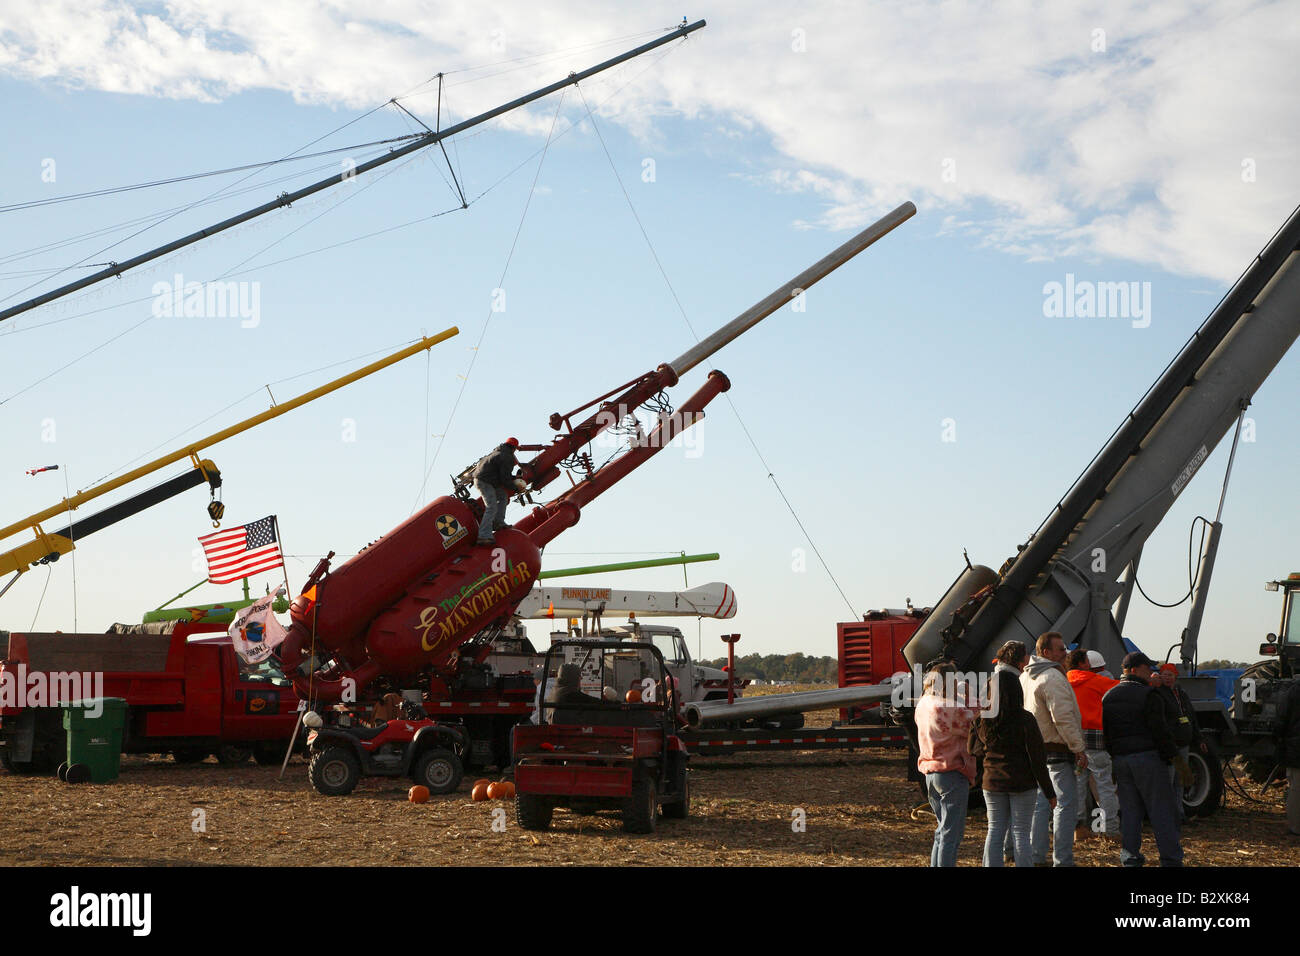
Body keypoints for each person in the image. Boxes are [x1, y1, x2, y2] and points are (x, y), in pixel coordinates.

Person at [970, 641, 1055, 867]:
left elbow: (973, 749)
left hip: (992, 780)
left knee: (994, 830)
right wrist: (1050, 792)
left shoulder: (983, 719)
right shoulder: (1026, 719)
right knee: (1020, 833)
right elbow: (1038, 758)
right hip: (1022, 782)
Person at [1102, 652, 1183, 866]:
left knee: (1130, 813)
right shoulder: (1149, 695)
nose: (1152, 672)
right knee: (1161, 812)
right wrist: (1171, 758)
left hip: (1121, 760)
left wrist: (1115, 758)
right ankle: (1171, 860)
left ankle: (1130, 858)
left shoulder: (1108, 696)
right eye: (1148, 668)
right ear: (1134, 670)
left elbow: (1107, 735)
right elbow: (1161, 732)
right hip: (1148, 759)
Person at [1021, 631, 1087, 866]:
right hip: (1057, 749)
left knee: (1040, 805)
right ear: (1046, 653)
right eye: (1060, 649)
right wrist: (1078, 747)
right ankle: (1063, 860)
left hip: (1036, 750)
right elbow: (1063, 717)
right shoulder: (1053, 678)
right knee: (1064, 805)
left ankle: (1036, 856)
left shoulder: (1026, 677)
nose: (1065, 653)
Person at [915, 660, 978, 866]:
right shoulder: (950, 707)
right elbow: (977, 720)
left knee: (941, 831)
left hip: (929, 772)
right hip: (951, 770)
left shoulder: (923, 702)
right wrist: (968, 693)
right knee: (952, 834)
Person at [1067, 649, 1120, 840]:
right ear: (1083, 663)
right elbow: (1122, 689)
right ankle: (1111, 831)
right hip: (1097, 739)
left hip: (1073, 741)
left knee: (1078, 787)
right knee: (1105, 785)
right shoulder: (1095, 680)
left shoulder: (1063, 681)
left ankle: (1079, 829)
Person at [1154, 663, 1205, 825]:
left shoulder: (1181, 694)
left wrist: (1199, 739)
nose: (1167, 678)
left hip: (1183, 746)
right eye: (1164, 675)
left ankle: (1179, 814)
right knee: (1168, 782)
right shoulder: (1159, 694)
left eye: (1170, 675)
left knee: (1180, 781)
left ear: (1176, 677)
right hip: (1171, 747)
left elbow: (1191, 717)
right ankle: (1165, 817)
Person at [472, 437, 521, 545]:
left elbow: (502, 475)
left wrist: (512, 479)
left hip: (484, 480)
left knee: (503, 496)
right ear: (514, 448)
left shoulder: (498, 451)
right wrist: (515, 487)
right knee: (491, 506)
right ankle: (483, 536)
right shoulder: (507, 457)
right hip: (485, 482)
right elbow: (504, 479)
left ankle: (498, 522)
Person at [1277, 679, 1300, 837]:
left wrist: (1278, 739)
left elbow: (1282, 719)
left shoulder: (1293, 691)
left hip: (1295, 746)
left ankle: (1296, 827)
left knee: (1296, 789)